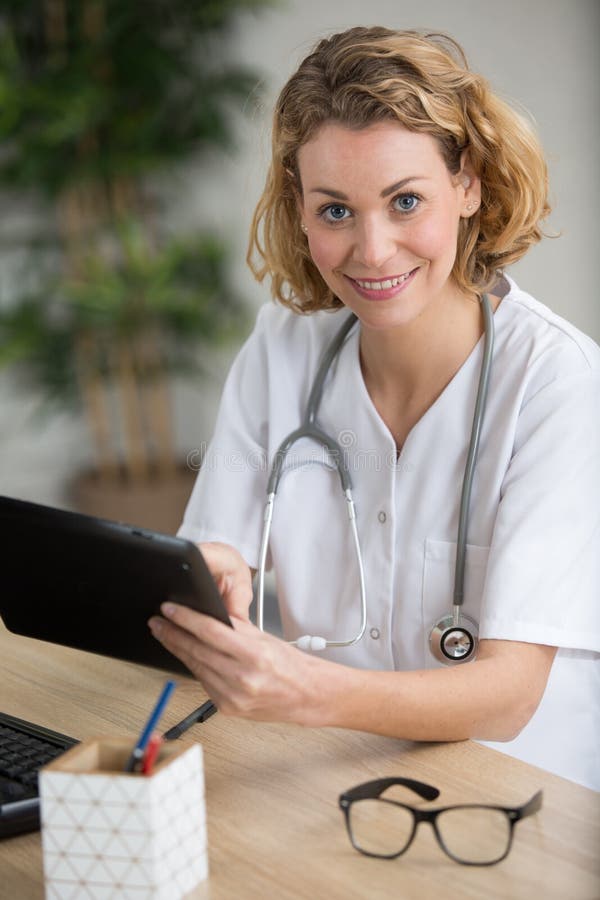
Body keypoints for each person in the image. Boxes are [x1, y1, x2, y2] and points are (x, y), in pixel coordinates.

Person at [148, 27, 600, 790]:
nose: (373, 249)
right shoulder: (281, 349)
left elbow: (509, 695)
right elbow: (215, 556)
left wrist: (304, 691)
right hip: (330, 778)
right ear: (298, 208)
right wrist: (216, 578)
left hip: (521, 796)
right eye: (335, 211)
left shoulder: (558, 382)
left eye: (405, 201)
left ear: (470, 185)